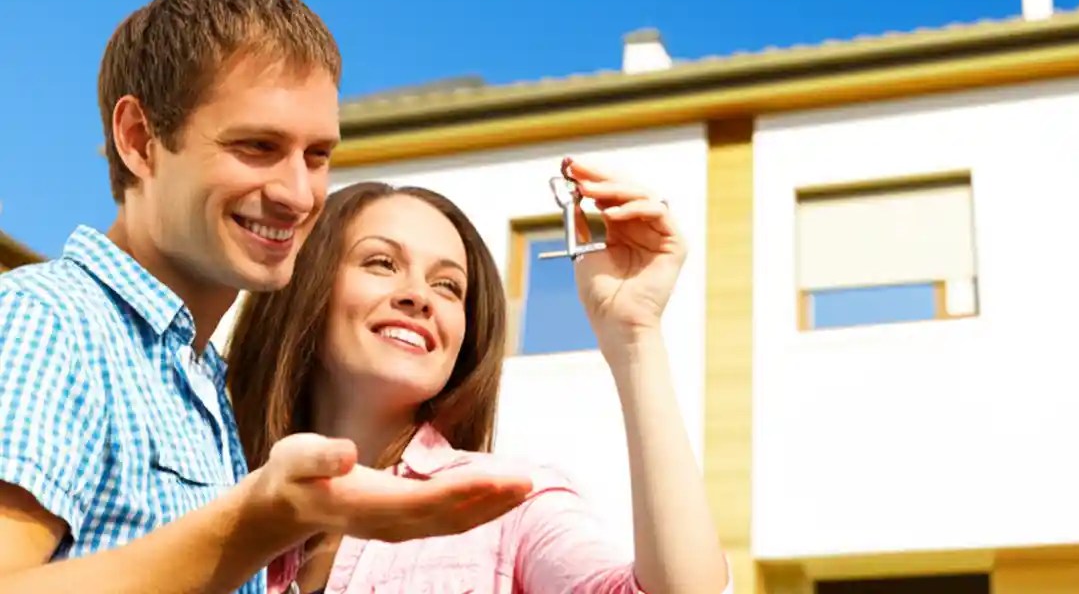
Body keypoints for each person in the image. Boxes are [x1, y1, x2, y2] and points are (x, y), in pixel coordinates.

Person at [0, 0, 532, 594]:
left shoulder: (207, 386)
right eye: (257, 146)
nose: (297, 195)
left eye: (317, 156)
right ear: (140, 141)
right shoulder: (49, 322)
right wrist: (264, 520)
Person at [224, 157, 732, 594]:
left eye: (448, 286)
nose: (418, 295)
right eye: (381, 262)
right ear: (307, 289)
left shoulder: (503, 505)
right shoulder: (217, 495)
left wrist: (636, 335)